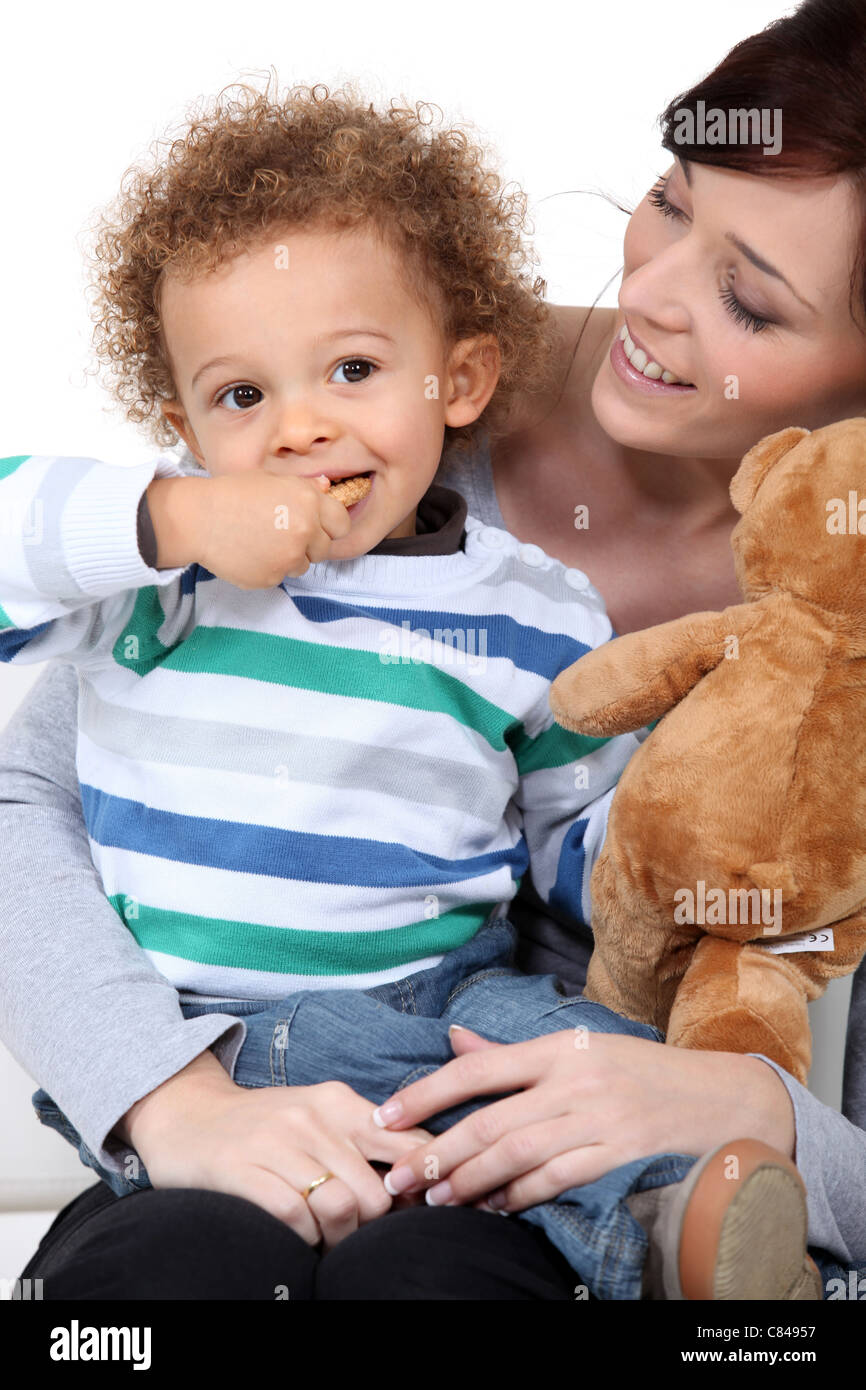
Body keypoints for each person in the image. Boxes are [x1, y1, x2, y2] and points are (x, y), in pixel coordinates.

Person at [4, 0, 866, 1299]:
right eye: (667, 200)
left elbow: (594, 846)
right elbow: (30, 786)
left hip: (503, 1131)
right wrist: (170, 1099)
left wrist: (738, 1100)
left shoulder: (777, 626)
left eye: (746, 300)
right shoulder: (349, 365)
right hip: (219, 1088)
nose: (646, 293)